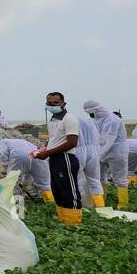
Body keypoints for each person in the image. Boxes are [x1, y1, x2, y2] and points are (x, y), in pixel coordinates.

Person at [33, 92, 82, 225]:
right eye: (50, 103)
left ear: (63, 104)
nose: (53, 105)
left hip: (65, 158)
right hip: (54, 158)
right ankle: (63, 220)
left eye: (56, 102)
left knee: (69, 191)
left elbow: (72, 142)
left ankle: (73, 223)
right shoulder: (53, 120)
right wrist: (43, 149)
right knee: (57, 190)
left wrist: (47, 153)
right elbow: (53, 139)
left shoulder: (69, 119)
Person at [84, 99, 129, 210]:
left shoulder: (112, 119)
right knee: (99, 177)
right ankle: (101, 202)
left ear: (97, 109)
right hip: (101, 152)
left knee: (120, 179)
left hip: (116, 152)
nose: (91, 115)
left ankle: (123, 205)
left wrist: (97, 153)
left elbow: (108, 138)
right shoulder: (95, 120)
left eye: (91, 112)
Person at [74, 113, 105, 207]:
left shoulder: (71, 123)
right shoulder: (90, 124)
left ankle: (81, 206)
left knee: (77, 181)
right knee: (95, 181)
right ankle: (100, 207)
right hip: (93, 152)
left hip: (77, 153)